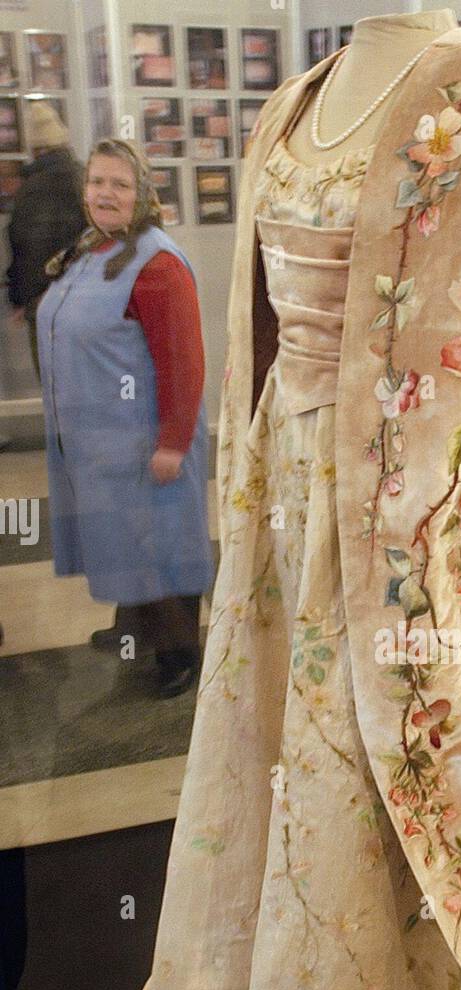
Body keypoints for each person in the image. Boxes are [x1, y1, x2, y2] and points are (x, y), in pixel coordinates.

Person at [37, 138, 214, 697]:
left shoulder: (158, 264)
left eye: (120, 184)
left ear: (142, 194)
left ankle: (180, 653)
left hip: (143, 440)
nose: (105, 193)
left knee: (159, 543)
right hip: (97, 440)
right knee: (121, 536)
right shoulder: (93, 249)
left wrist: (174, 442)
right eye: (97, 182)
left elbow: (183, 360)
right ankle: (133, 627)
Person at [5, 101, 87, 379]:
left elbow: (23, 245)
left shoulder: (30, 188)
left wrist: (19, 298)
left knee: (52, 380)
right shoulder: (83, 177)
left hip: (42, 299)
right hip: (84, 295)